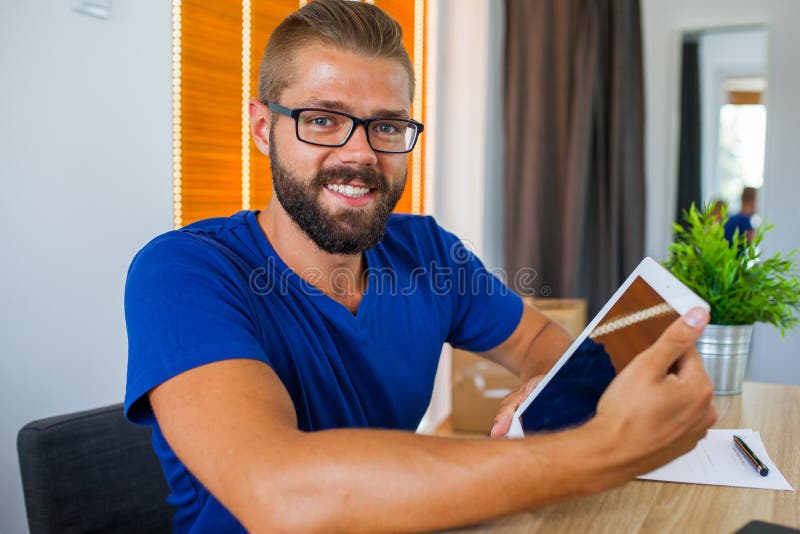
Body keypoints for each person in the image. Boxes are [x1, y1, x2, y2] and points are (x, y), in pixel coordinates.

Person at [123, 1, 716, 532]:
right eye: (323, 119)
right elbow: (282, 496)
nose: (360, 154)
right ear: (263, 127)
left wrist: (544, 384)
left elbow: (538, 337)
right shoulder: (182, 274)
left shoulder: (426, 252)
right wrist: (603, 449)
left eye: (386, 126)